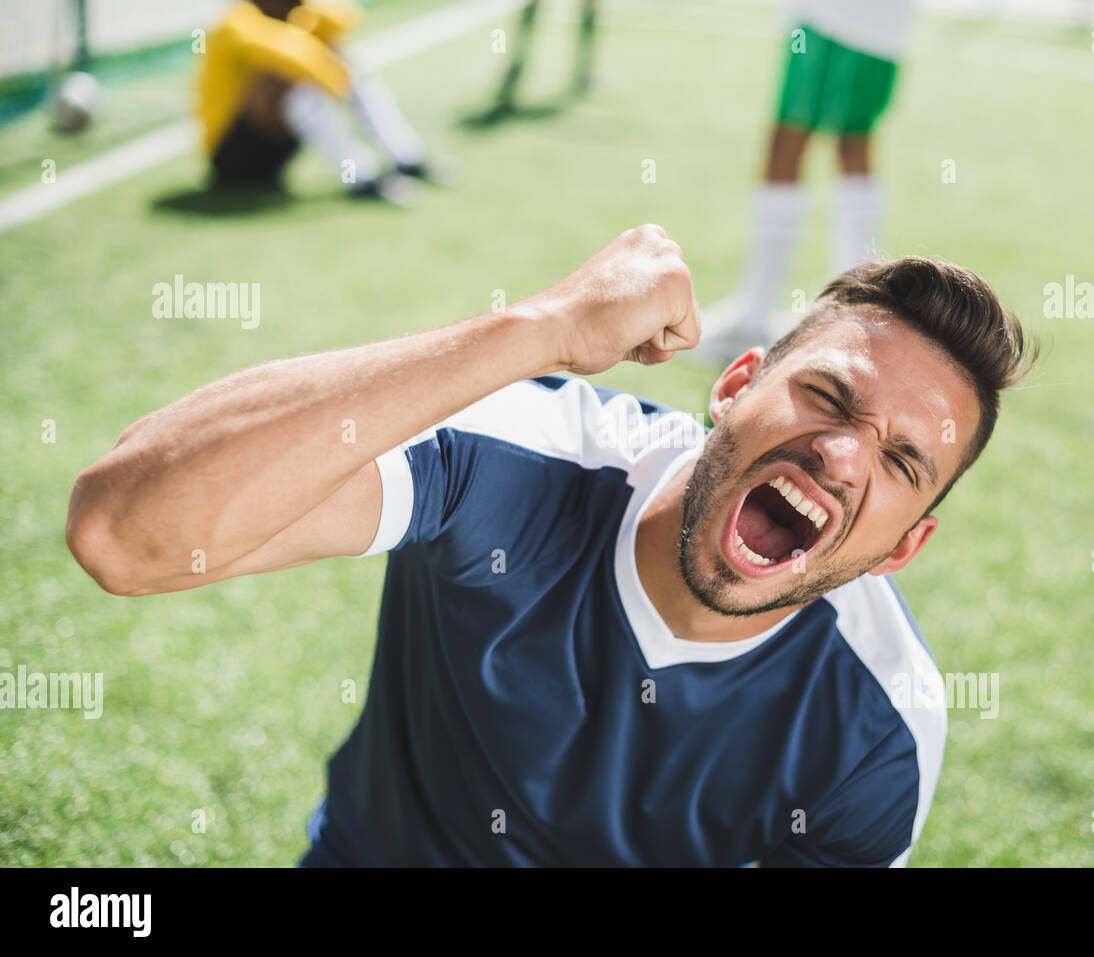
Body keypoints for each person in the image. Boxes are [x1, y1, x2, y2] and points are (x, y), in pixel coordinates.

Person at [66, 225, 1035, 866]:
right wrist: (545, 327)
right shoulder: (520, 458)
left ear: (901, 548)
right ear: (735, 384)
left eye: (901, 460)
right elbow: (126, 534)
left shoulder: (876, 728)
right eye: (826, 396)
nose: (838, 456)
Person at [701, 0, 914, 359]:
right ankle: (849, 312)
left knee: (796, 138)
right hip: (861, 20)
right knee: (849, 138)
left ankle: (762, 315)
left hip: (839, 18)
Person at [197, 0, 440, 199]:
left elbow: (345, 18)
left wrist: (307, 8)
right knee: (291, 83)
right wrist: (347, 83)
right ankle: (360, 176)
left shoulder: (290, 16)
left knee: (337, 52)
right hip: (232, 157)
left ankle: (405, 157)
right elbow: (296, 58)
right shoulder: (236, 23)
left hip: (274, 150)